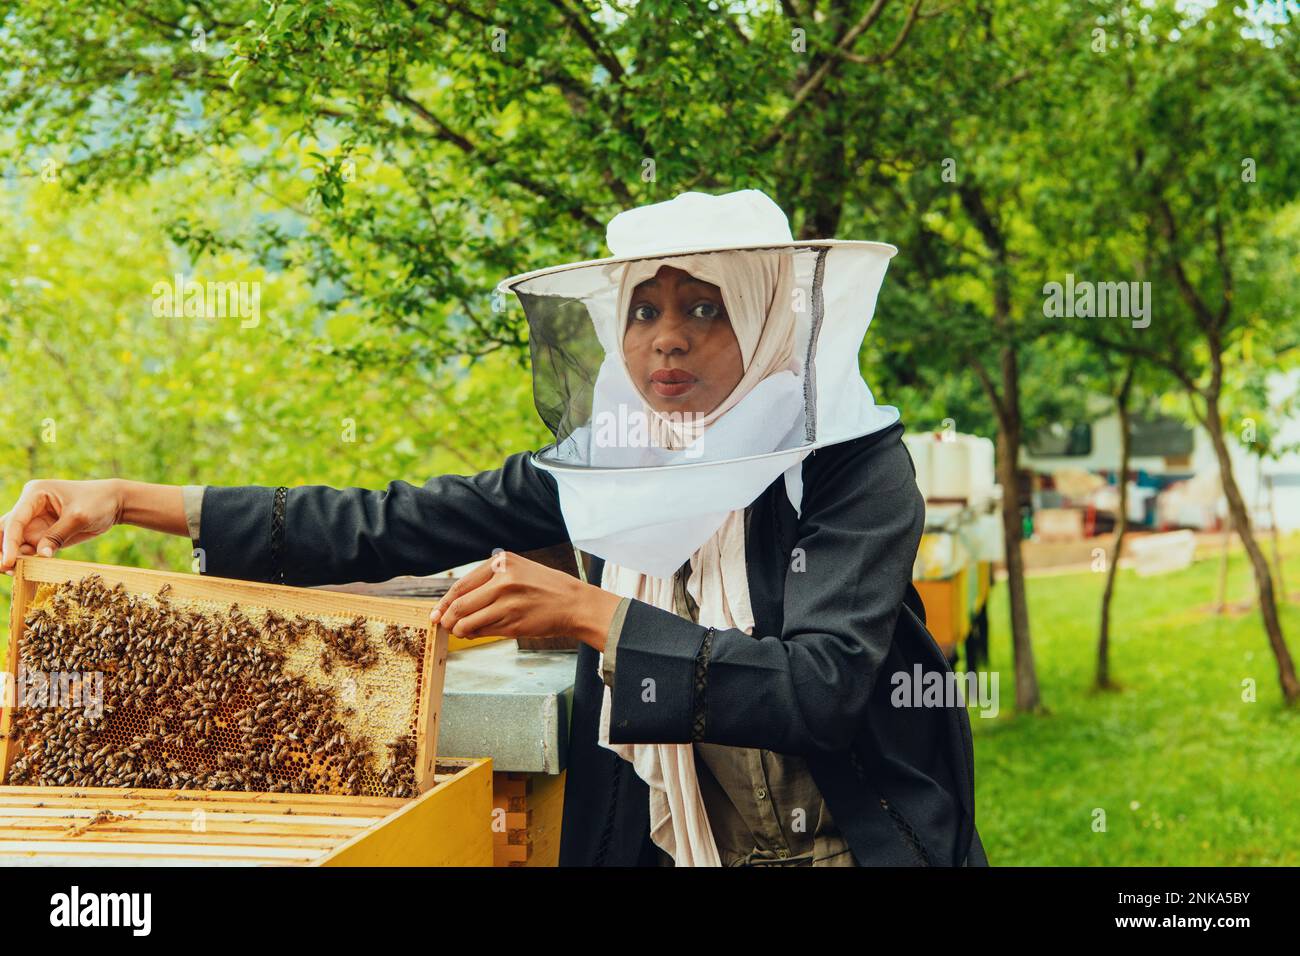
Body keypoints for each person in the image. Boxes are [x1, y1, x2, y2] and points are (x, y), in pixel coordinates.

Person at [0, 188, 988, 867]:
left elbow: (819, 689)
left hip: (852, 841)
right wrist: (126, 499)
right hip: (675, 843)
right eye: (642, 309)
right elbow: (390, 523)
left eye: (706, 306)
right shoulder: (610, 466)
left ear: (771, 318)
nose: (667, 335)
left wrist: (601, 616)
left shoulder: (853, 467)